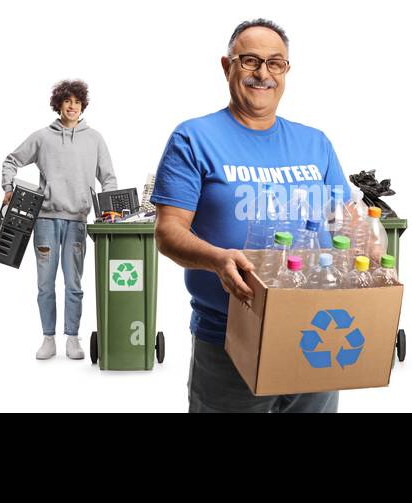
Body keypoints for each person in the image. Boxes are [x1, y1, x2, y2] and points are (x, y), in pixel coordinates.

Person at [150, 19, 350, 412]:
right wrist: (217, 258)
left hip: (319, 332)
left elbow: (340, 221)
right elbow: (168, 232)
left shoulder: (316, 143)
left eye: (275, 63)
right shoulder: (193, 138)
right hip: (229, 338)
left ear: (286, 71)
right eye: (250, 61)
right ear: (227, 66)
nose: (263, 73)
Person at [1, 80, 118, 360]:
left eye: (77, 102)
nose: (72, 106)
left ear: (83, 106)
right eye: (67, 101)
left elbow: (109, 178)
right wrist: (8, 187)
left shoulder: (95, 139)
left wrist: (110, 210)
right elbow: (11, 160)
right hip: (45, 221)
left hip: (78, 220)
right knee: (45, 283)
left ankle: (73, 338)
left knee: (74, 284)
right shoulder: (42, 137)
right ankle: (48, 338)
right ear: (59, 105)